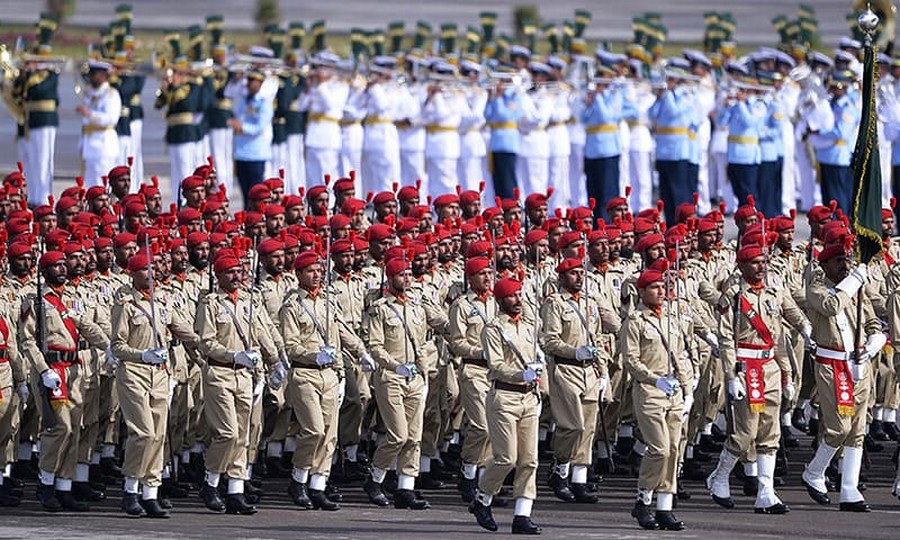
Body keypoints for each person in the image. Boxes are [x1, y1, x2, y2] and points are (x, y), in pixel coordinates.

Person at [706, 243, 809, 514]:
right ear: (741, 266)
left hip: (770, 367)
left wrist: (786, 374)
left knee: (769, 433)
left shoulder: (774, 291)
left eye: (763, 261)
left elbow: (778, 339)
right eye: (754, 262)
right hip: (746, 367)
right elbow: (726, 340)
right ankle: (719, 476)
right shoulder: (733, 297)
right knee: (744, 434)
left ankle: (766, 492)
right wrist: (730, 376)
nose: (761, 266)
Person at [18, 251, 110, 512]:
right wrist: (42, 369)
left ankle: (64, 487)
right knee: (60, 428)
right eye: (55, 266)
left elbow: (85, 325)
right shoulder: (34, 301)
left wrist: (108, 346)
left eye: (62, 264)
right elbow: (27, 340)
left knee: (76, 429)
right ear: (44, 271)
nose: (61, 268)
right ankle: (45, 483)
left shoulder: (69, 297)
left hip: (73, 370)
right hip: (51, 370)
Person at [279, 251, 371, 510]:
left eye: (319, 269)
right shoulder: (293, 306)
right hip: (305, 373)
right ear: (298, 274)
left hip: (330, 374)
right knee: (314, 430)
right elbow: (291, 345)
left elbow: (343, 332)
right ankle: (298, 479)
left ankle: (318, 485)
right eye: (310, 270)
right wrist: (313, 355)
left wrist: (361, 352)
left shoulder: (328, 303)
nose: (317, 274)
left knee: (330, 434)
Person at [110, 250, 198, 518]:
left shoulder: (162, 300)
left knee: (159, 436)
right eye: (145, 270)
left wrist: (208, 346)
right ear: (133, 274)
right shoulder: (125, 304)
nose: (152, 274)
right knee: (143, 433)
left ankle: (150, 493)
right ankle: (130, 490)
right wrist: (142, 354)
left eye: (153, 269)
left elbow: (183, 330)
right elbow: (117, 346)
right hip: (134, 372)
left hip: (159, 374)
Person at [194, 254, 280, 515]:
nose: (236, 276)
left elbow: (260, 334)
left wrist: (274, 362)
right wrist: (233, 355)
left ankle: (235, 491)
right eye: (229, 272)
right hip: (220, 373)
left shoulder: (247, 302)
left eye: (238, 271)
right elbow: (205, 343)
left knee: (243, 435)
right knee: (227, 433)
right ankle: (210, 482)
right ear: (218, 276)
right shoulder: (209, 304)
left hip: (245, 375)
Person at [802, 241, 883, 512]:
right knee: (838, 428)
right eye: (838, 260)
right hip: (831, 366)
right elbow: (831, 305)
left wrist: (874, 342)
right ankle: (814, 472)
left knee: (857, 431)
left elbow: (872, 322)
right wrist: (855, 280)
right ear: (825, 265)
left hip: (858, 365)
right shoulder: (817, 288)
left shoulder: (856, 288)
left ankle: (849, 490)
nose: (845, 265)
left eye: (846, 259)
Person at [469, 277, 542, 535]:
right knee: (506, 458)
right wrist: (520, 375)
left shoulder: (529, 326)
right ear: (500, 301)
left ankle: (522, 515)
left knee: (530, 460)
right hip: (505, 396)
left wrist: (536, 371)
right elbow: (496, 365)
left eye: (520, 295)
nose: (518, 300)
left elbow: (534, 354)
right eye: (512, 296)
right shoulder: (493, 329)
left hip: (528, 398)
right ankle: (482, 497)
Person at [623, 265, 694, 530]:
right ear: (642, 292)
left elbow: (681, 356)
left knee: (674, 451)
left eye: (663, 286)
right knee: (659, 448)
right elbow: (631, 361)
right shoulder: (634, 322)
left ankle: (664, 507)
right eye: (655, 287)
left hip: (673, 392)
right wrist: (655, 380)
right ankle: (642, 500)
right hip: (650, 391)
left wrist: (688, 390)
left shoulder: (669, 319)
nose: (661, 291)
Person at [540, 257, 617, 503]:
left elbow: (598, 339)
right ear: (562, 277)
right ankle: (559, 471)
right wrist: (574, 352)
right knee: (572, 425)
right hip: (566, 369)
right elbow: (549, 341)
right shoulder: (554, 303)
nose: (579, 277)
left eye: (580, 273)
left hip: (589, 371)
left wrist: (603, 372)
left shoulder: (589, 302)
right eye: (573, 274)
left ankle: (579, 480)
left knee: (589, 429)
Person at [362, 257, 432, 510]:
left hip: (413, 377)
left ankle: (406, 488)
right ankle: (375, 478)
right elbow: (375, 347)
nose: (407, 279)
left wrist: (424, 375)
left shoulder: (415, 307)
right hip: (390, 377)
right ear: (390, 279)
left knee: (414, 437)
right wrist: (394, 365)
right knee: (398, 435)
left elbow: (422, 344)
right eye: (401, 275)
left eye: (408, 274)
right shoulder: (379, 309)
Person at [230, 71, 274, 205]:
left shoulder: (264, 103)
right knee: (245, 194)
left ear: (260, 84)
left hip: (256, 153)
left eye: (253, 82)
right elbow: (228, 93)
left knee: (257, 195)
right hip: (241, 153)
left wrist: (241, 127)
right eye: (249, 81)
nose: (249, 84)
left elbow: (259, 127)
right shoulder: (243, 100)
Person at [77, 61, 121, 186]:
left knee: (103, 181)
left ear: (103, 75)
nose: (90, 77)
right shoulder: (89, 93)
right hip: (89, 144)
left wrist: (90, 114)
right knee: (90, 181)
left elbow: (112, 118)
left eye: (94, 74)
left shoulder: (111, 94)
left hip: (103, 144)